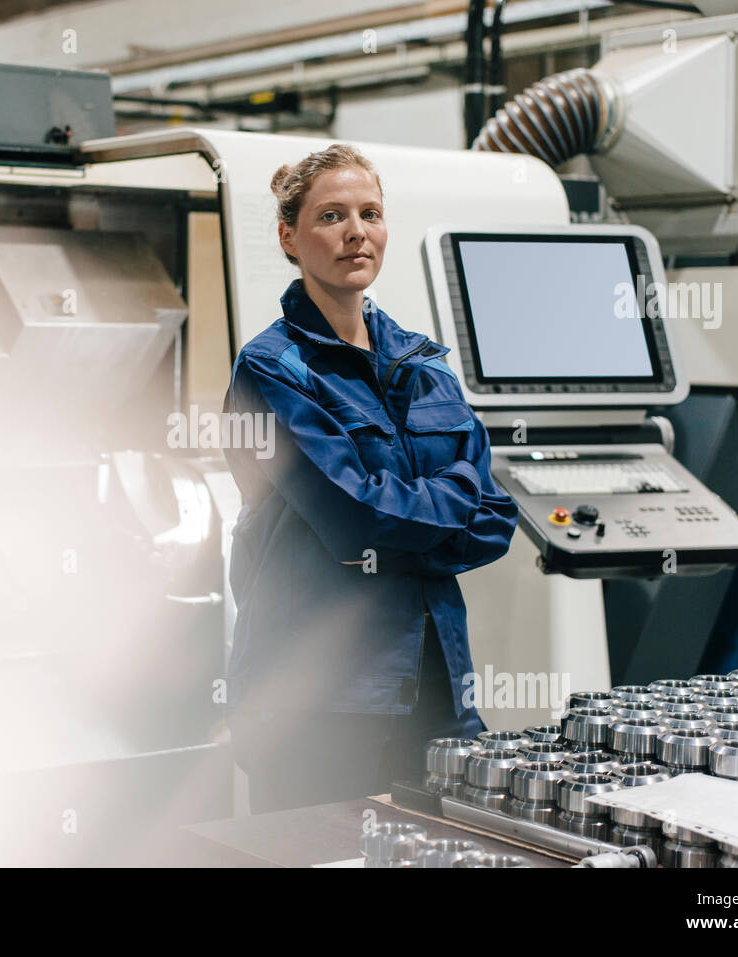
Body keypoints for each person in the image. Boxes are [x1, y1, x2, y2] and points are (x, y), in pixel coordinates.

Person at [221, 143, 519, 814]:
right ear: (288, 238)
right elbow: (356, 518)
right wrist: (448, 508)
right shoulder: (272, 370)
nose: (356, 231)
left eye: (370, 212)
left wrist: (412, 521)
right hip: (319, 705)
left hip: (437, 687)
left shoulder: (423, 363)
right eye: (331, 215)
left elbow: (497, 515)